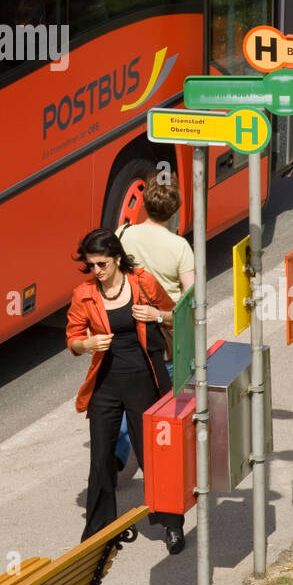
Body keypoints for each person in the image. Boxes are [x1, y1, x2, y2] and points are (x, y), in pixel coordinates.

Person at [66, 227, 186, 553]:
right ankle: (99, 534)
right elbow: (72, 339)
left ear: (117, 258)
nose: (97, 271)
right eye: (91, 265)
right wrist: (87, 343)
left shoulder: (143, 283)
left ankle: (172, 525)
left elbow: (178, 314)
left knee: (153, 456)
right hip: (105, 385)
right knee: (101, 458)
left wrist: (156, 314)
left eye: (102, 264)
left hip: (143, 381)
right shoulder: (85, 294)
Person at [113, 171, 195, 469]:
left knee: (128, 393)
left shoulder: (123, 235)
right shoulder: (180, 248)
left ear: (144, 203)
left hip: (127, 330)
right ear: (174, 209)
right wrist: (161, 314)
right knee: (166, 400)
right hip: (163, 337)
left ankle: (118, 452)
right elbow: (191, 305)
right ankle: (166, 461)